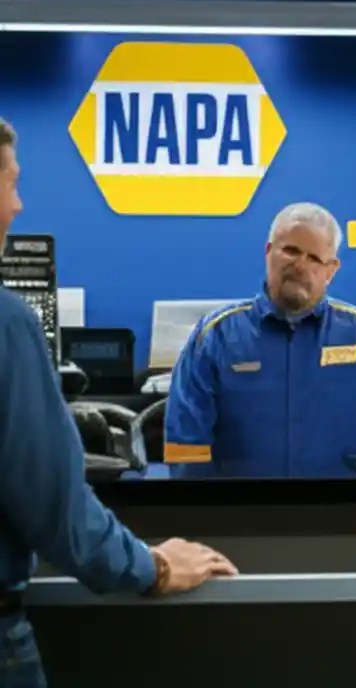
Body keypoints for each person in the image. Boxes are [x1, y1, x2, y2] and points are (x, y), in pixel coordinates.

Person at [0, 118, 238, 687]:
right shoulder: (7, 322)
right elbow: (53, 507)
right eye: (9, 183)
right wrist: (150, 566)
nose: (18, 205)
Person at [164, 202, 356, 478]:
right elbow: (185, 445)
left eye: (314, 258)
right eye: (291, 251)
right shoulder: (214, 338)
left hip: (343, 516)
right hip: (239, 517)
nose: (300, 265)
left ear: (331, 270)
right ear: (269, 252)